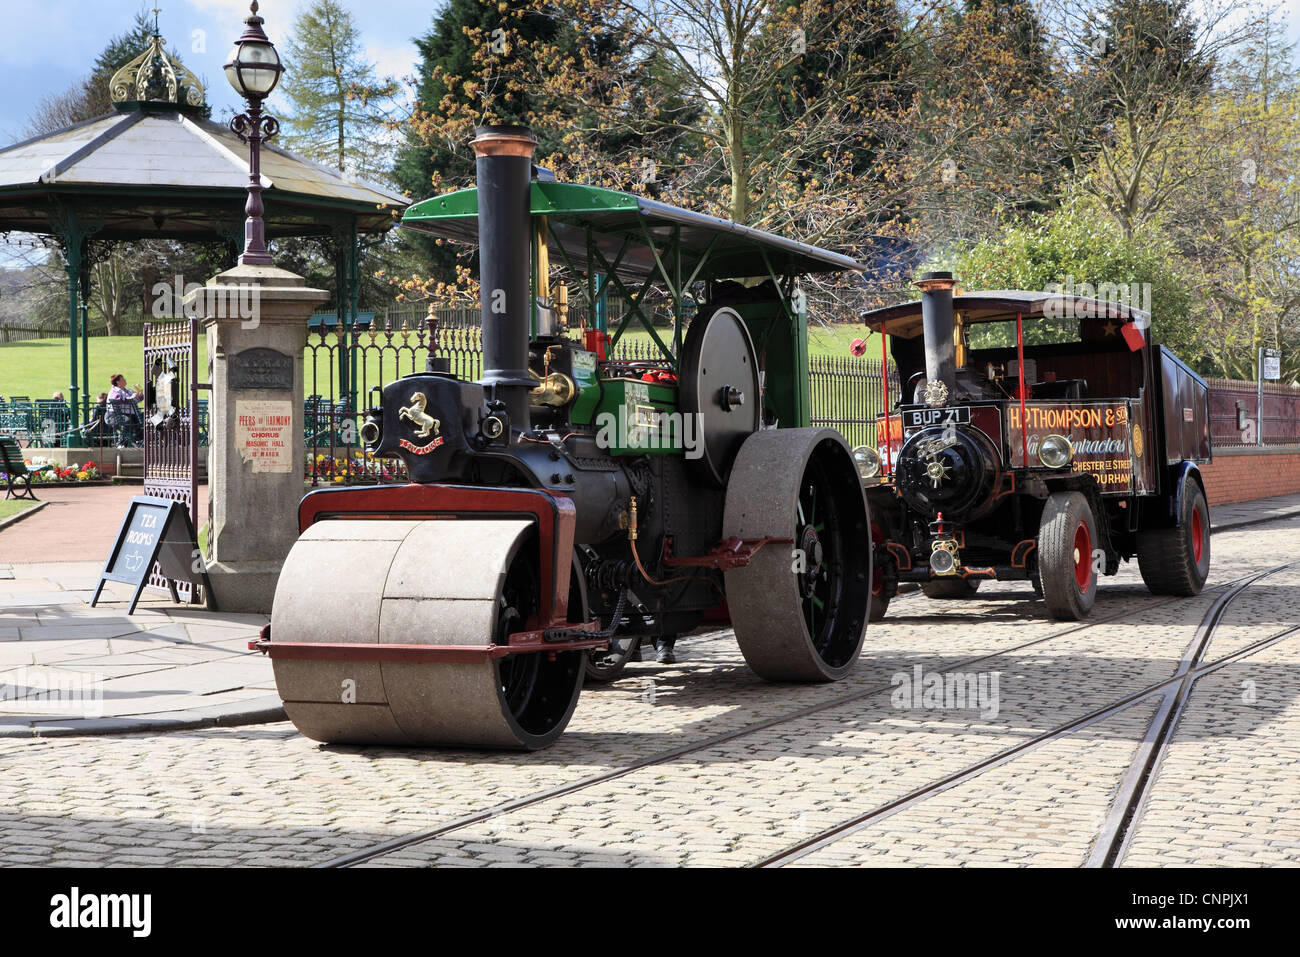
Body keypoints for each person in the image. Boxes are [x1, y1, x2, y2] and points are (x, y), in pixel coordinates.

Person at [107, 374, 143, 447]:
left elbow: (136, 400)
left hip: (130, 414)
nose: (125, 380)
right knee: (127, 421)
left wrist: (140, 395)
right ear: (117, 382)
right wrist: (131, 398)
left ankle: (138, 440)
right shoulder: (114, 391)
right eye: (123, 380)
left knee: (143, 419)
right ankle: (122, 442)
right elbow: (116, 400)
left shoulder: (128, 390)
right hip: (115, 415)